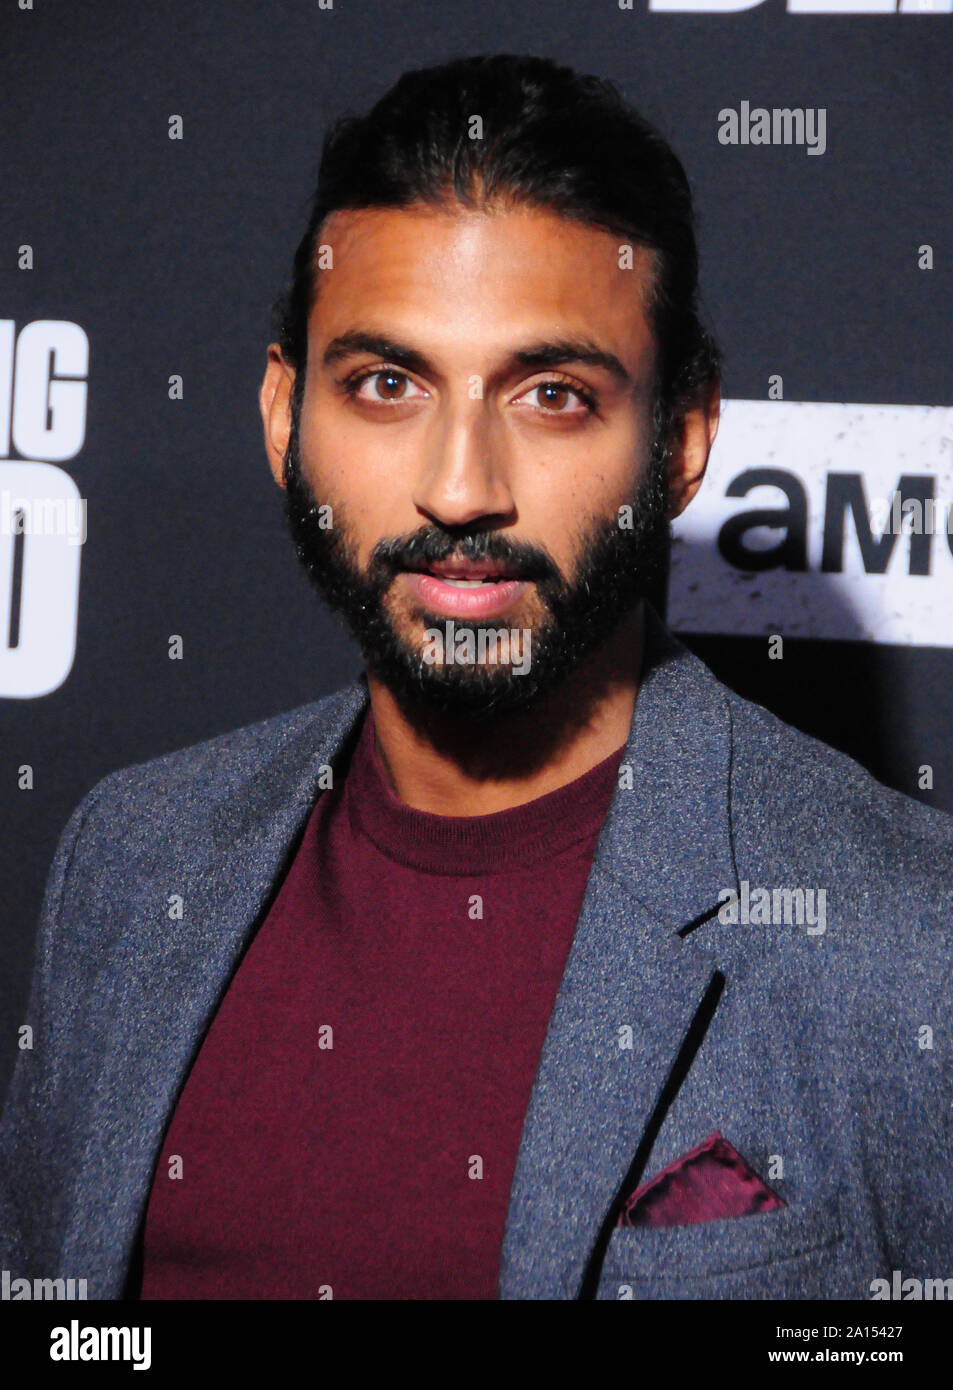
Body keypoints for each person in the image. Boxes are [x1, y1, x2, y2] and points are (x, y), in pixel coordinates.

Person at [2, 54, 952, 1303]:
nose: (459, 489)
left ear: (679, 440)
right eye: (386, 385)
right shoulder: (131, 864)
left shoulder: (901, 939)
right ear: (284, 416)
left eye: (550, 394)